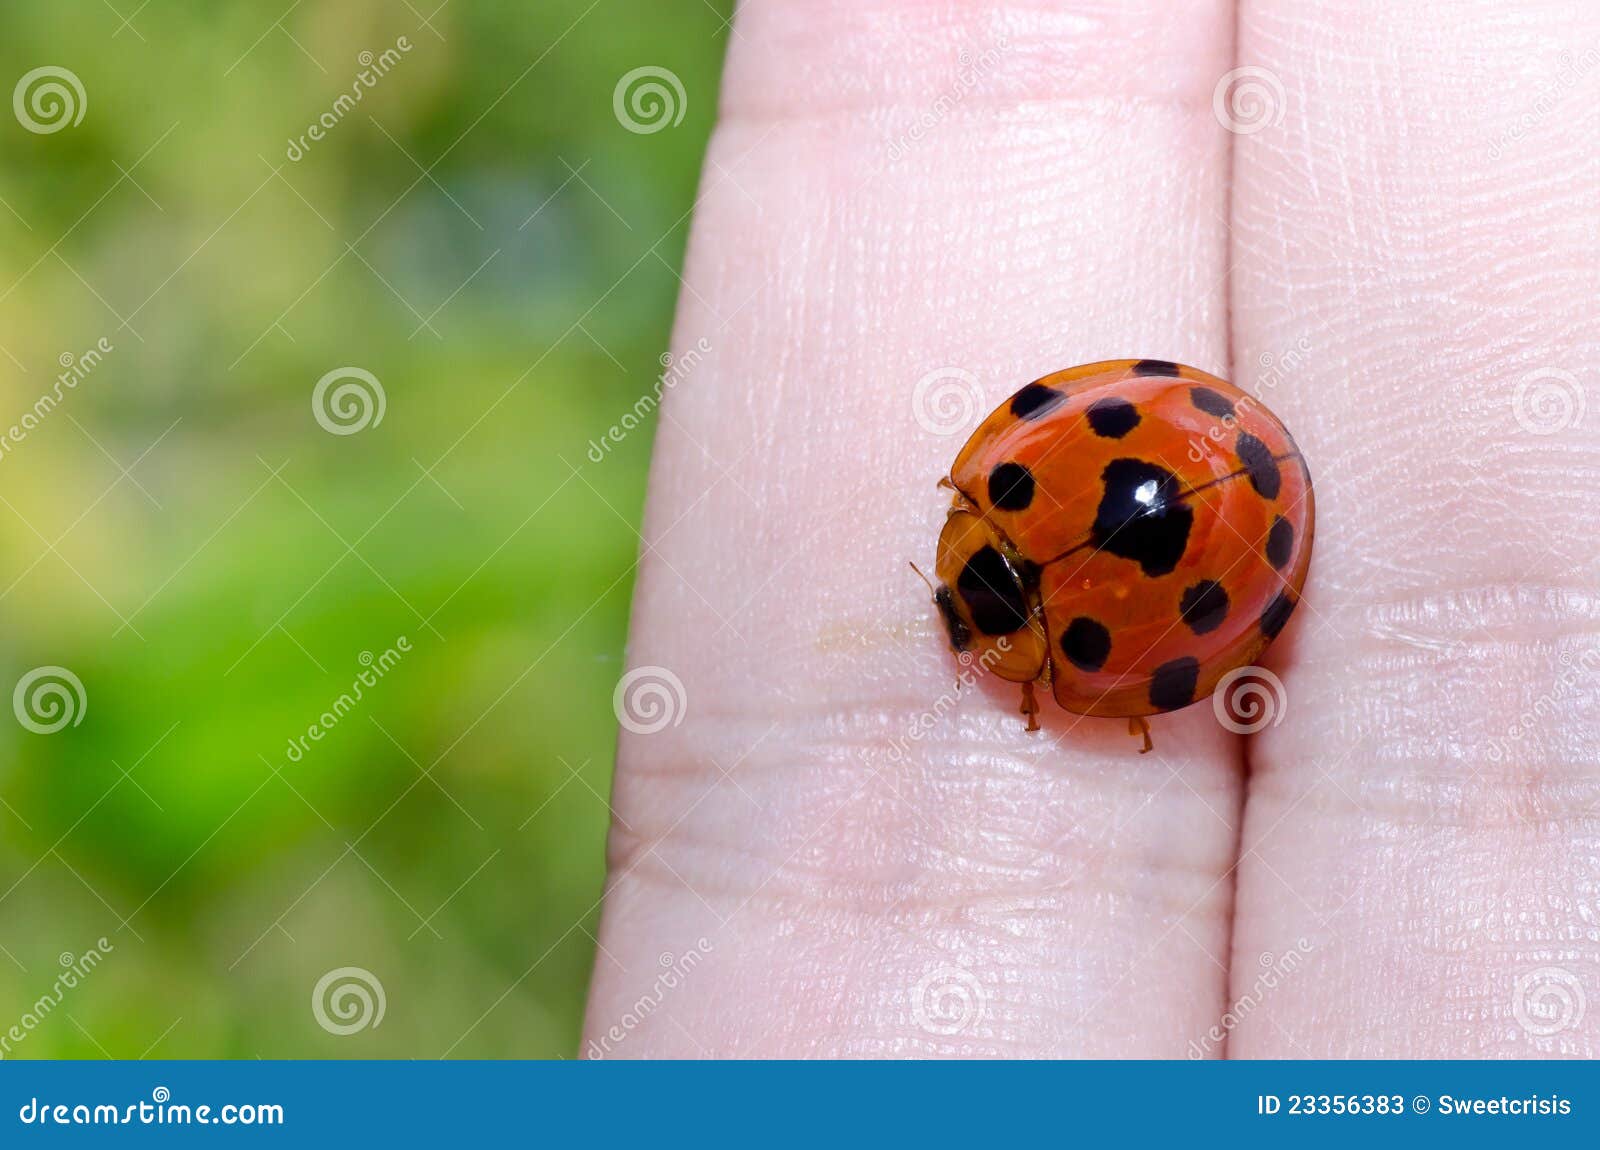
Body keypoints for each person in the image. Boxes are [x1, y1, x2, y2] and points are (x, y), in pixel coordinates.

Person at [585, 0, 1600, 1058]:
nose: (960, 627)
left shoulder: (1060, 630)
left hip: (1214, 454)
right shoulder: (1011, 513)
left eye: (965, 615)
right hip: (1205, 445)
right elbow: (1060, 444)